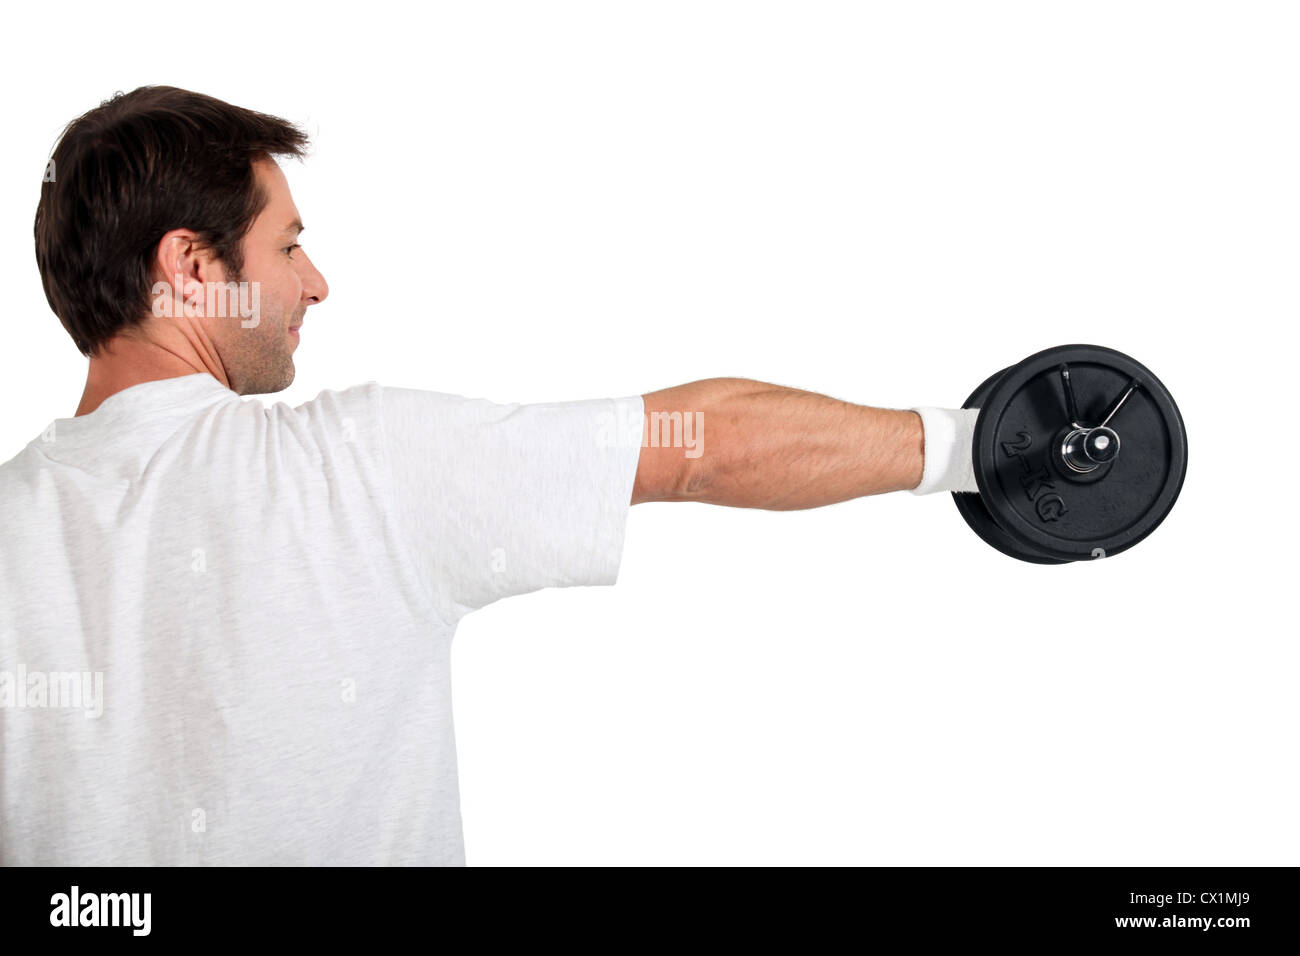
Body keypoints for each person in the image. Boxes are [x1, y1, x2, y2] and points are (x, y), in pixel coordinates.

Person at [1, 86, 977, 865]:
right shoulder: (353, 466)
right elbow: (702, 444)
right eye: (288, 244)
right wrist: (973, 447)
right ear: (193, 266)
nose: (316, 280)